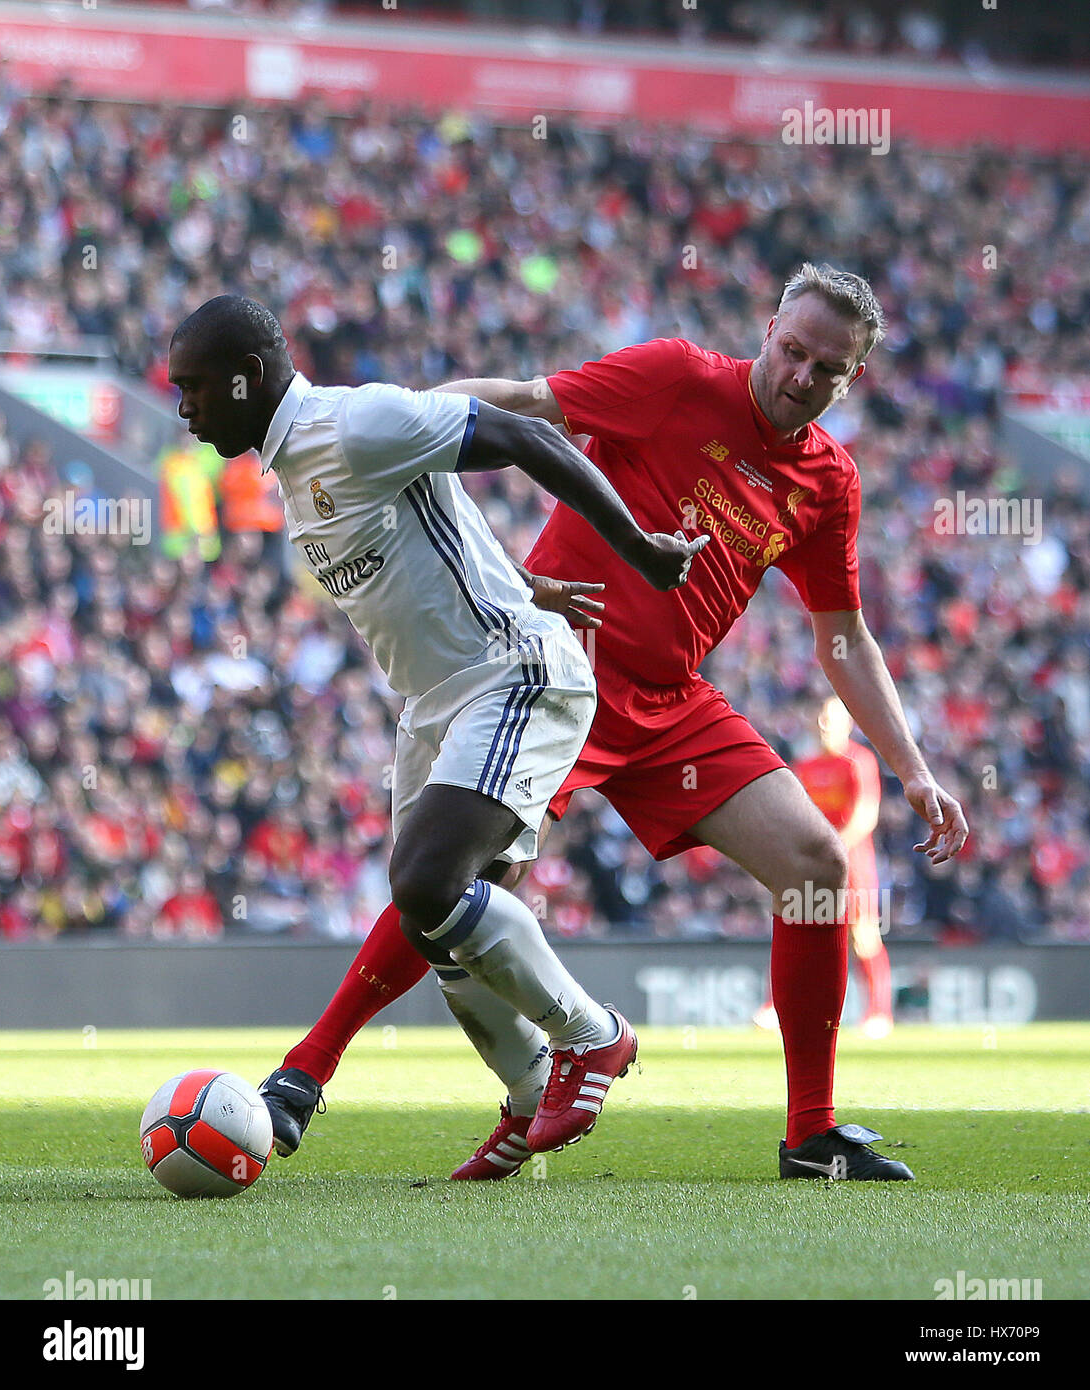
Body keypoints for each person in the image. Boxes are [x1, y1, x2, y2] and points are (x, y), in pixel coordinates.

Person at [262, 262, 969, 1181]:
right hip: (562, 667)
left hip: (672, 702)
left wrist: (911, 769)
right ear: (766, 330)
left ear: (853, 378)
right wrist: (389, 430)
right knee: (466, 880)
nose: (800, 376)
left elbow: (842, 637)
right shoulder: (677, 379)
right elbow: (519, 403)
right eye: (792, 350)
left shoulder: (828, 482)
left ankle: (810, 1133)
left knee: (818, 867)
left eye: (826, 369)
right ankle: (308, 1073)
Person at [166, 294, 707, 1154]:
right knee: (432, 914)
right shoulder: (296, 465)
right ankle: (531, 1089)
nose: (184, 408)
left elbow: (524, 436)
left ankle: (590, 1034)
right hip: (431, 705)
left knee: (426, 883)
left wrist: (637, 547)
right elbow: (426, 524)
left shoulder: (354, 423)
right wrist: (522, 580)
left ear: (250, 378)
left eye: (194, 388)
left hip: (511, 674)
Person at [755, 696, 893, 1038]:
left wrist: (832, 849)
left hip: (853, 864)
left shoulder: (859, 762)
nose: (824, 726)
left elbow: (865, 816)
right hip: (813, 862)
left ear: (847, 724)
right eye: (820, 720)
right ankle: (776, 1007)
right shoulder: (805, 766)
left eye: (831, 719)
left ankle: (879, 1014)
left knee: (862, 937)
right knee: (797, 929)